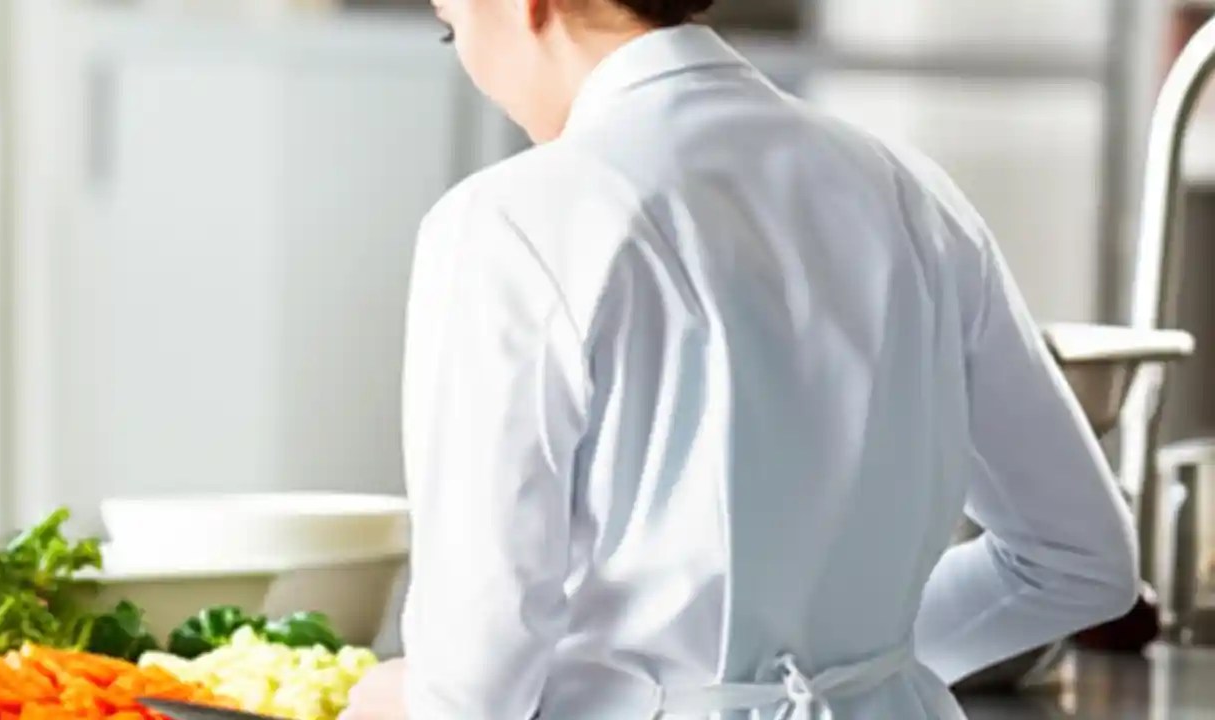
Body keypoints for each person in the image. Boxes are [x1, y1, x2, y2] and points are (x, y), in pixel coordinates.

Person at [339, 0, 1140, 717]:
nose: (471, 64)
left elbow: (472, 692)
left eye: (454, 29)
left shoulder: (508, 221)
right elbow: (1079, 562)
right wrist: (862, 668)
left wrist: (390, 696)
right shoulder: (912, 189)